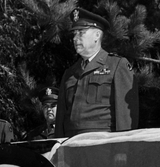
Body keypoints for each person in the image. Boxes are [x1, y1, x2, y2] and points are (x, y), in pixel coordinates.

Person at [55, 8, 138, 137]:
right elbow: (61, 118)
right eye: (74, 34)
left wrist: (122, 152)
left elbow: (125, 116)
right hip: (71, 144)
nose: (75, 38)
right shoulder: (70, 73)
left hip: (101, 144)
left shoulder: (116, 65)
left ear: (97, 35)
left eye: (81, 33)